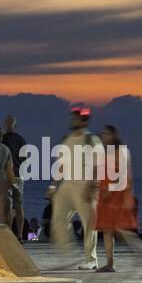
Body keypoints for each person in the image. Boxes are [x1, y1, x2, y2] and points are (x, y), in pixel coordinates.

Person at [50, 106, 102, 270]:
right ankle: (68, 253)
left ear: (84, 121)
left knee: (89, 224)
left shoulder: (92, 140)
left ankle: (91, 259)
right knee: (58, 217)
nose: (72, 120)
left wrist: (93, 185)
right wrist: (53, 185)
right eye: (71, 118)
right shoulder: (67, 139)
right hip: (67, 184)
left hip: (85, 184)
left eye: (75, 118)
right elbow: (61, 165)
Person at [93, 125, 142, 272]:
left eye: (106, 133)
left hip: (117, 195)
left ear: (114, 135)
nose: (103, 136)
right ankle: (110, 263)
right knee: (107, 230)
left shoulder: (122, 151)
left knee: (118, 228)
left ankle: (139, 250)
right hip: (104, 195)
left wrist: (109, 190)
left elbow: (123, 175)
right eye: (102, 133)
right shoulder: (103, 152)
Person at [2, 115, 28, 238]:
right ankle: (20, 235)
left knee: (8, 207)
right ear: (15, 125)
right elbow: (26, 157)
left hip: (6, 176)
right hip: (19, 175)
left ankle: (9, 235)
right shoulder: (21, 139)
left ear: (4, 125)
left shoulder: (2, 139)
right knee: (18, 206)